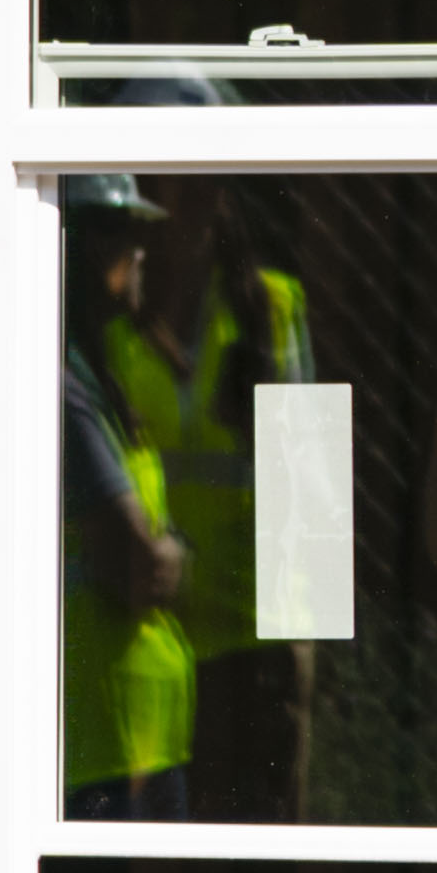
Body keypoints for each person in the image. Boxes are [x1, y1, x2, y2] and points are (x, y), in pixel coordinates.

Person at [108, 175, 320, 816]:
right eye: (167, 185)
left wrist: (304, 659)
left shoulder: (274, 306)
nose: (183, 201)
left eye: (198, 183)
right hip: (148, 643)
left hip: (253, 648)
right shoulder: (115, 323)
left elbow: (311, 496)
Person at [62, 173, 198, 819]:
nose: (141, 251)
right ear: (87, 249)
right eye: (124, 233)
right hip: (102, 750)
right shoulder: (62, 385)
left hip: (135, 738)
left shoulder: (95, 371)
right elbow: (140, 563)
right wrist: (171, 553)